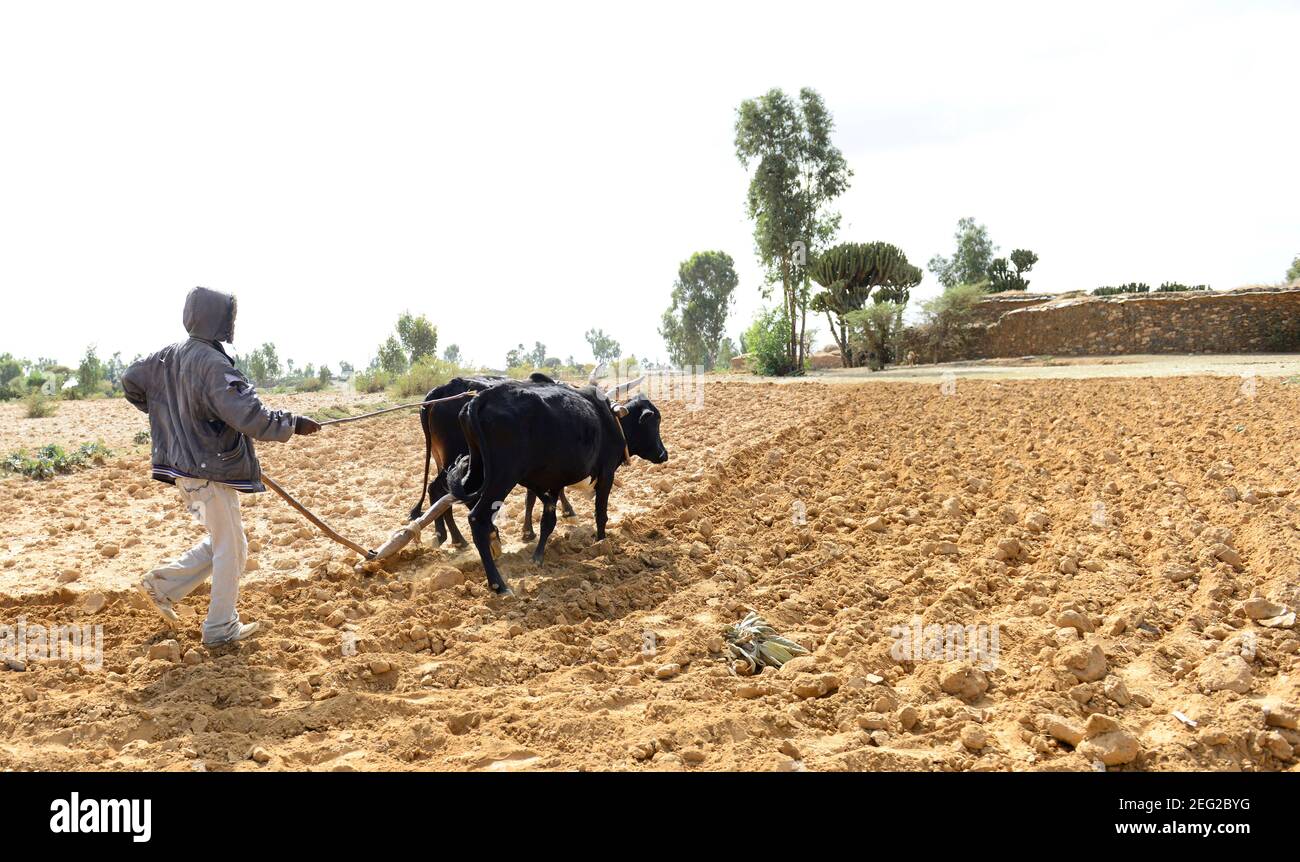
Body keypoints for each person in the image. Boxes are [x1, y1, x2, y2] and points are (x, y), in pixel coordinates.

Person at [122, 287, 321, 646]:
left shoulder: (167, 356)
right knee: (231, 546)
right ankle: (220, 628)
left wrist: (170, 417)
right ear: (219, 320)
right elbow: (248, 415)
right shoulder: (213, 363)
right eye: (230, 317)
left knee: (226, 541)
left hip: (186, 473)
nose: (232, 323)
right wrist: (293, 424)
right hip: (207, 474)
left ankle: (162, 585)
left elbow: (131, 382)